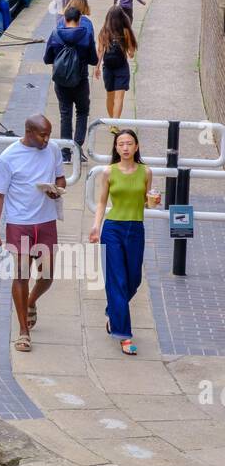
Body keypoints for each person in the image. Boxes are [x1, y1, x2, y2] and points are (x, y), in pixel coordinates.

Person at [0, 115, 66, 352]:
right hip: (19, 223)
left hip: (46, 221)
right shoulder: (8, 158)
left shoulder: (52, 150)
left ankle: (30, 302)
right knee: (21, 275)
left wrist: (57, 189)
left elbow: (61, 178)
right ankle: (23, 331)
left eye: (49, 134)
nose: (47, 139)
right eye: (43, 135)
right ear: (29, 131)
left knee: (48, 274)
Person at [89, 129, 160, 355]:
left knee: (134, 280)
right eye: (121, 144)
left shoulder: (146, 172)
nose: (126, 147)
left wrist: (154, 202)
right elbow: (101, 203)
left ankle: (113, 310)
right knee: (117, 280)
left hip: (136, 229)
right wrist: (95, 226)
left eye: (130, 143)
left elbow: (146, 203)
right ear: (116, 148)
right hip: (113, 229)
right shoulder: (108, 172)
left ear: (137, 147)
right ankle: (123, 334)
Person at [43, 4, 98, 164]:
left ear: (64, 19)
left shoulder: (55, 35)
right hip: (80, 80)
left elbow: (47, 59)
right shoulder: (86, 35)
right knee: (82, 113)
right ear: (79, 19)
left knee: (65, 114)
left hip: (61, 82)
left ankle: (65, 154)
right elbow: (93, 59)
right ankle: (77, 149)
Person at [96, 6, 138, 120]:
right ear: (122, 18)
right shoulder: (126, 31)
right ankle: (115, 123)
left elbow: (100, 51)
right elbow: (131, 53)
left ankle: (112, 121)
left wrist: (97, 67)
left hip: (108, 68)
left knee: (110, 96)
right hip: (122, 68)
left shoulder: (104, 32)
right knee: (119, 98)